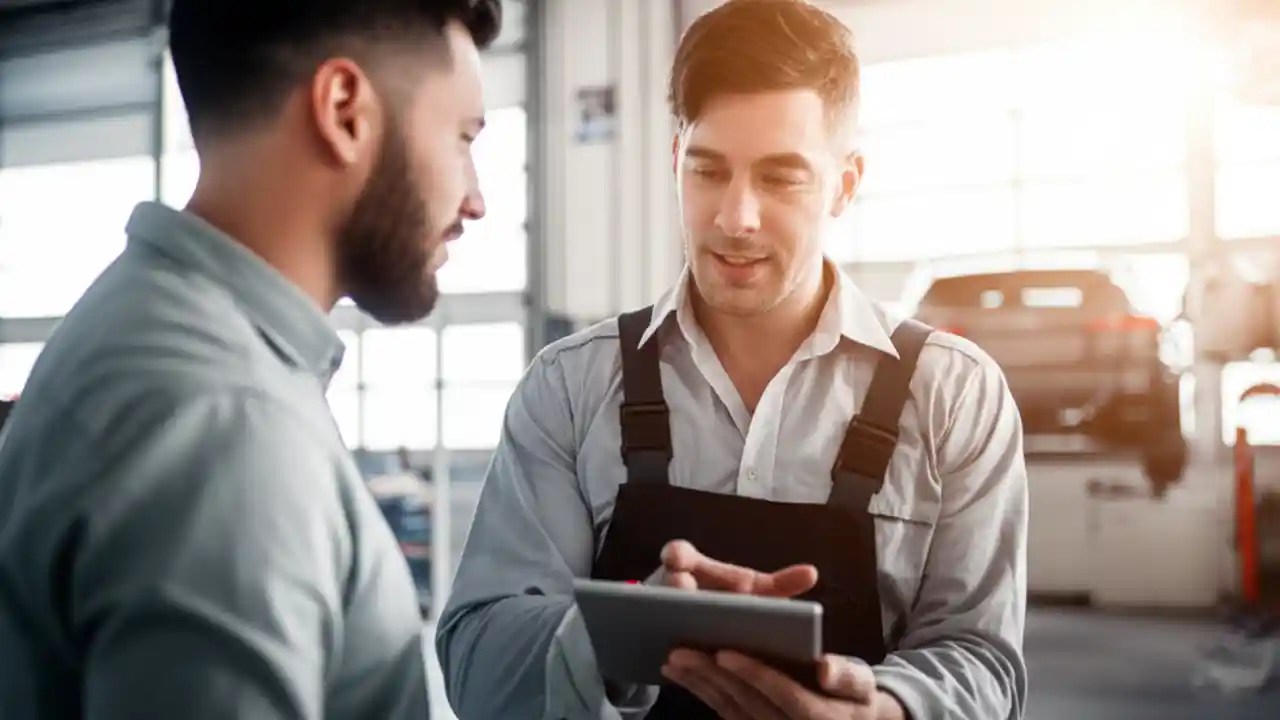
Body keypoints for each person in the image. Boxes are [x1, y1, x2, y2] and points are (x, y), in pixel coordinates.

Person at [438, 1, 1029, 718]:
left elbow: (982, 659)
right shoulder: (571, 389)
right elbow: (479, 662)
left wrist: (886, 711)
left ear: (845, 183)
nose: (735, 218)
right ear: (675, 158)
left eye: (781, 179)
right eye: (708, 170)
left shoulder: (955, 399)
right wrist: (617, 630)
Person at [0, 1, 499, 718]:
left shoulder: (143, 324)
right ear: (344, 110)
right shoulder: (225, 421)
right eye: (461, 137)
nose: (475, 198)